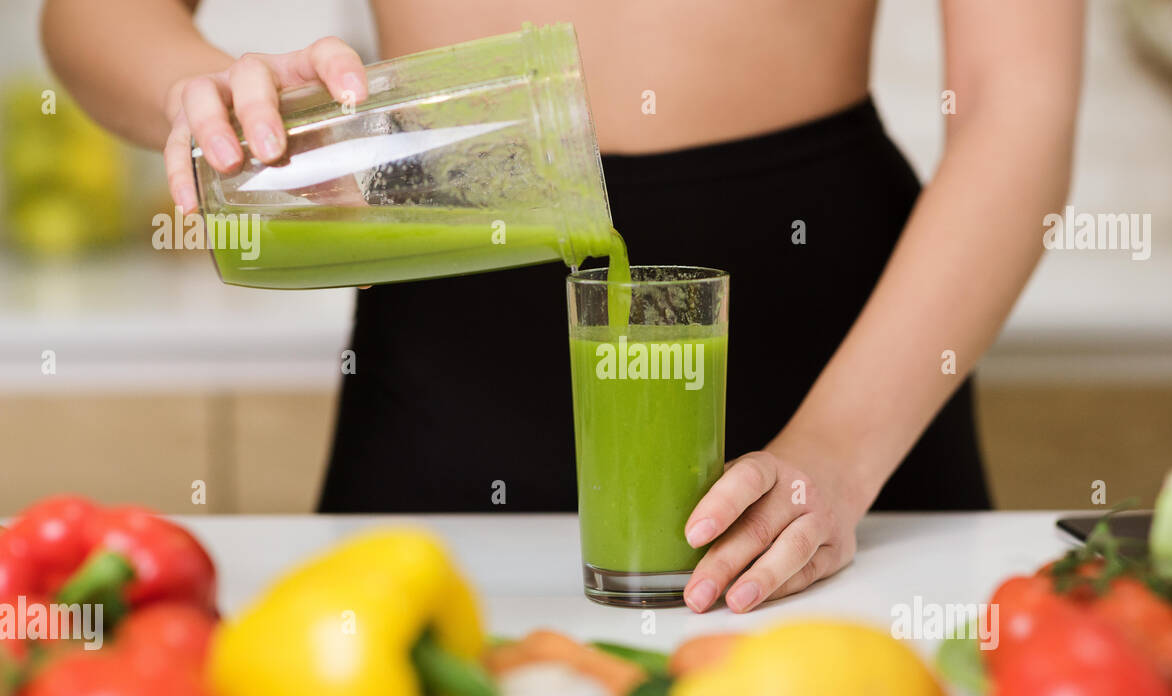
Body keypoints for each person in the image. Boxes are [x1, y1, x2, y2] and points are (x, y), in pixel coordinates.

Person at [42, 0, 1084, 614]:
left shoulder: (847, 436)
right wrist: (214, 93)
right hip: (450, 326)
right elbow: (92, 17)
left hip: (850, 356)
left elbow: (1016, 102)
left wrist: (839, 454)